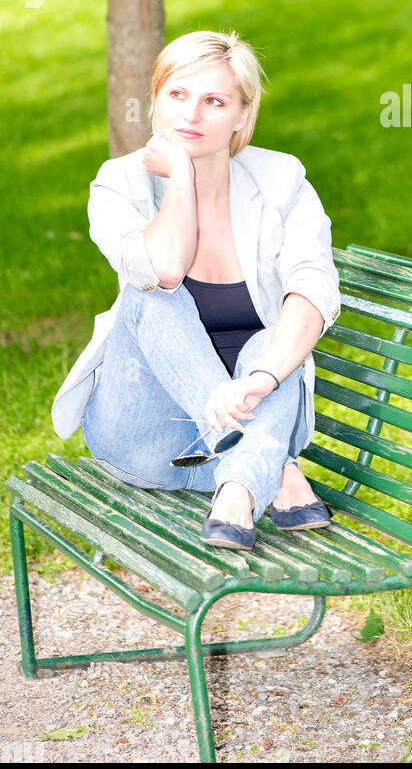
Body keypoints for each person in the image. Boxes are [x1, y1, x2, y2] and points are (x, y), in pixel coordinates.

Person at [50, 29, 342, 551]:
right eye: (178, 95)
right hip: (143, 433)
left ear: (241, 115)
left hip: (253, 415)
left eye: (214, 101)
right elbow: (162, 269)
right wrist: (182, 178)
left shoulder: (281, 181)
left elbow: (312, 288)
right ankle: (275, 472)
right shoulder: (119, 184)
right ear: (155, 101)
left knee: (271, 342)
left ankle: (238, 488)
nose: (192, 116)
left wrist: (263, 377)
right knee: (152, 294)